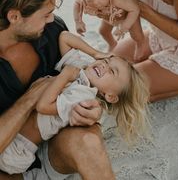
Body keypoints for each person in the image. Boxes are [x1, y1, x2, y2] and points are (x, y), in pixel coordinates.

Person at [0, 0, 115, 179]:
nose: (52, 19)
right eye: (46, 14)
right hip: (6, 167)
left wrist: (95, 110)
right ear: (14, 16)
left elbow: (84, 78)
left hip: (54, 149)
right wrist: (29, 99)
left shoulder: (51, 33)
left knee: (88, 140)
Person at [0, 30, 149, 175]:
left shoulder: (83, 97)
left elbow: (43, 106)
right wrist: (95, 53)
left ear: (110, 96)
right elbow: (65, 38)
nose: (104, 65)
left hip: (16, 151)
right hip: (12, 133)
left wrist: (64, 76)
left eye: (112, 71)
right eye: (107, 60)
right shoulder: (83, 70)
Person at [73, 0, 146, 61]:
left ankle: (141, 45)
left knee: (136, 35)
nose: (95, 2)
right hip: (109, 15)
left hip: (126, 14)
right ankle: (112, 43)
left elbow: (135, 9)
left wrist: (124, 27)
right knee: (103, 31)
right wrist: (78, 21)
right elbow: (77, 4)